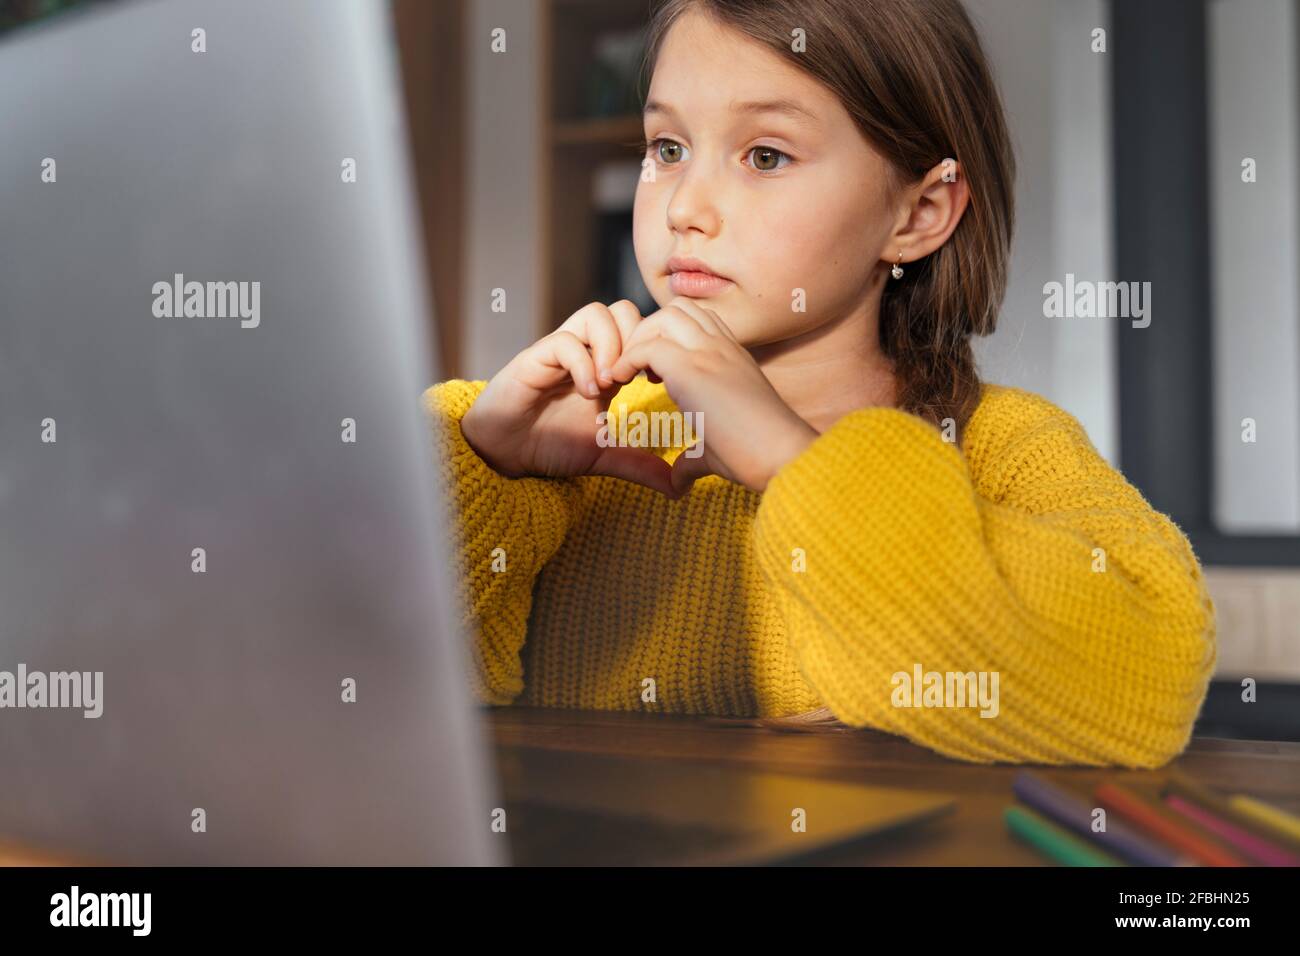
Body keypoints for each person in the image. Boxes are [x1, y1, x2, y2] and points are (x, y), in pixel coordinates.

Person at [423, 0, 1216, 767]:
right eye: (667, 148)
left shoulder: (1003, 447)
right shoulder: (569, 440)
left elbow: (1152, 684)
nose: (685, 209)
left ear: (919, 213)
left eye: (765, 155)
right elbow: (355, 706)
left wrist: (797, 466)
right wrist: (485, 467)